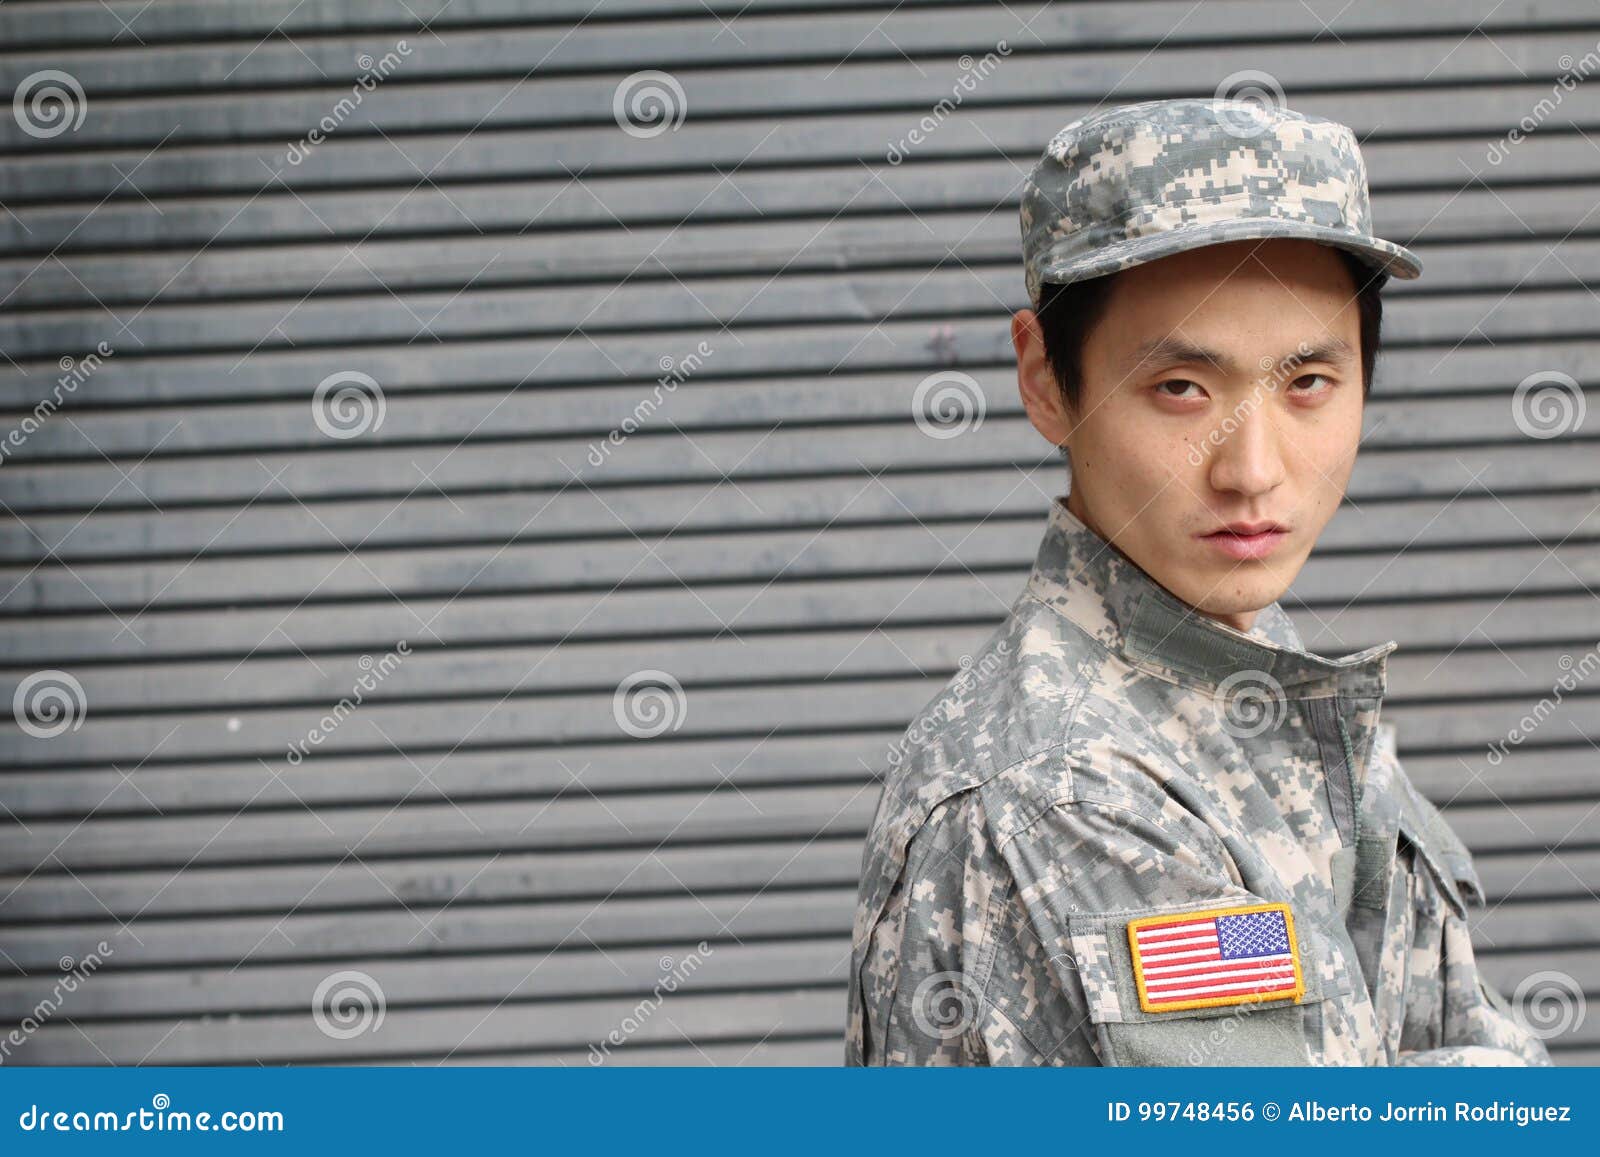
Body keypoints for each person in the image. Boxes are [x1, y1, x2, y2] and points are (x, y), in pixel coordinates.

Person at [844, 97, 1552, 1066]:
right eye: (1183, 387)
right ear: (1045, 378)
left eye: (1306, 382)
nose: (1251, 468)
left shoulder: (1268, 689)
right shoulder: (1070, 790)